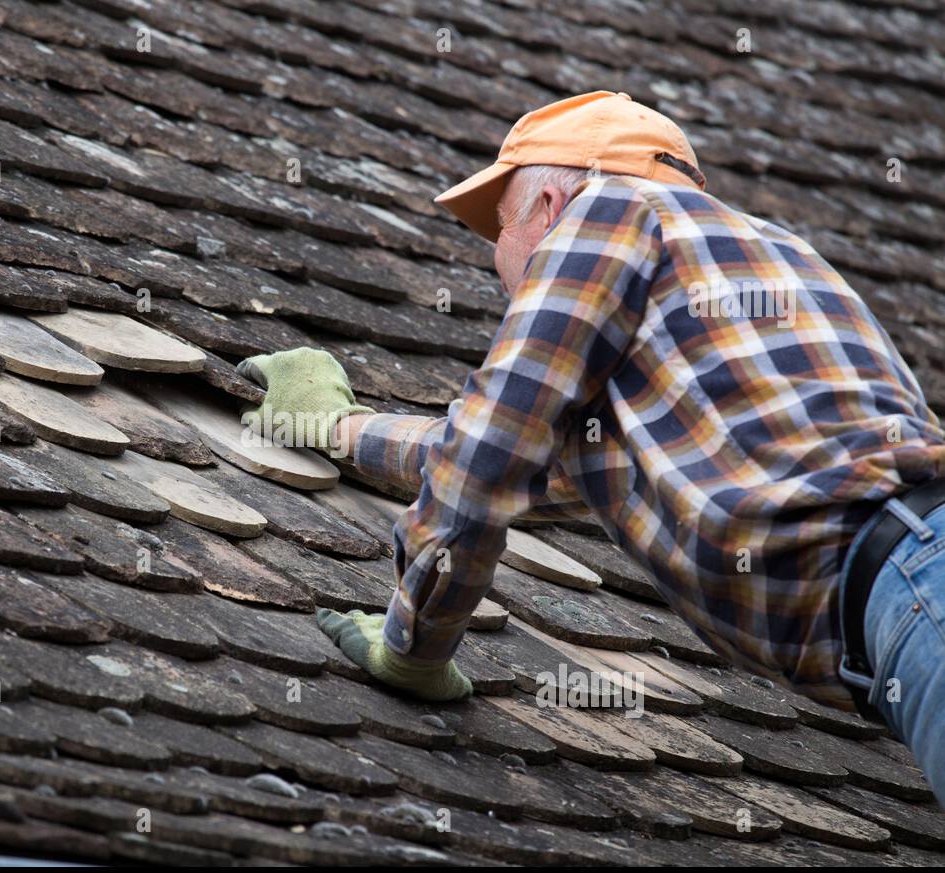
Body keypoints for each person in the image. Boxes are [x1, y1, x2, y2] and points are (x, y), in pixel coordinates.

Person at [237, 91, 945, 803]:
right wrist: (337, 427)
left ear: (549, 208)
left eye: (502, 231)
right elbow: (513, 461)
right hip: (903, 595)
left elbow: (488, 455)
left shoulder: (608, 210)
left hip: (913, 585)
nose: (505, 275)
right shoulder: (775, 264)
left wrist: (413, 646)